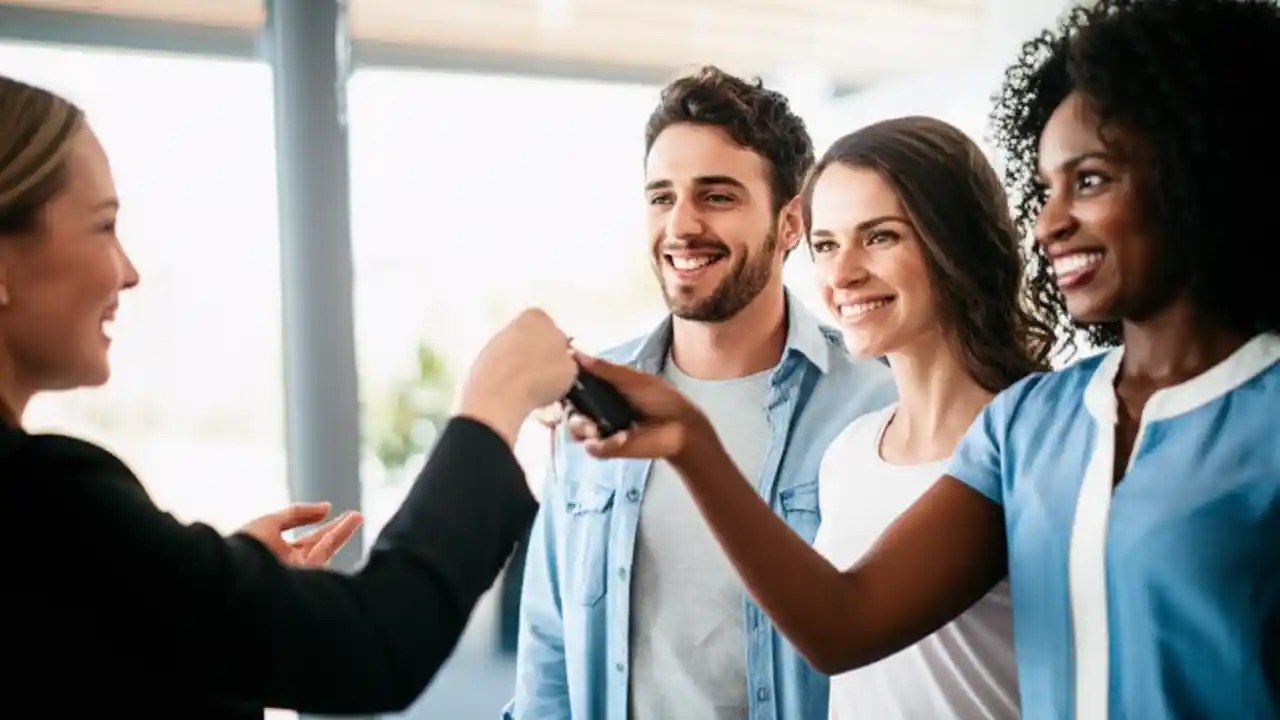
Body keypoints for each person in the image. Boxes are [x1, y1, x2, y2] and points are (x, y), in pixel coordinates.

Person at [563, 0, 1280, 717]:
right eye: (1047, 188)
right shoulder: (1032, 425)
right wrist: (692, 442)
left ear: (1201, 166)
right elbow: (844, 624)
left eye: (1089, 181)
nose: (1051, 222)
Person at [0, 74, 580, 718]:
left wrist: (218, 588)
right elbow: (372, 645)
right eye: (103, 226)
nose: (129, 271)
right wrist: (492, 406)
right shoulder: (39, 497)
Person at [505, 66, 896, 720]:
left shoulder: (875, 403)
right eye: (662, 197)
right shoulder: (592, 399)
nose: (681, 226)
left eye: (716, 196)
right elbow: (549, 643)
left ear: (792, 221)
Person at [797, 116, 1048, 717]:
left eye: (879, 236)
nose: (843, 272)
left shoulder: (1040, 438)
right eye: (826, 244)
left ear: (954, 240)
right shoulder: (848, 453)